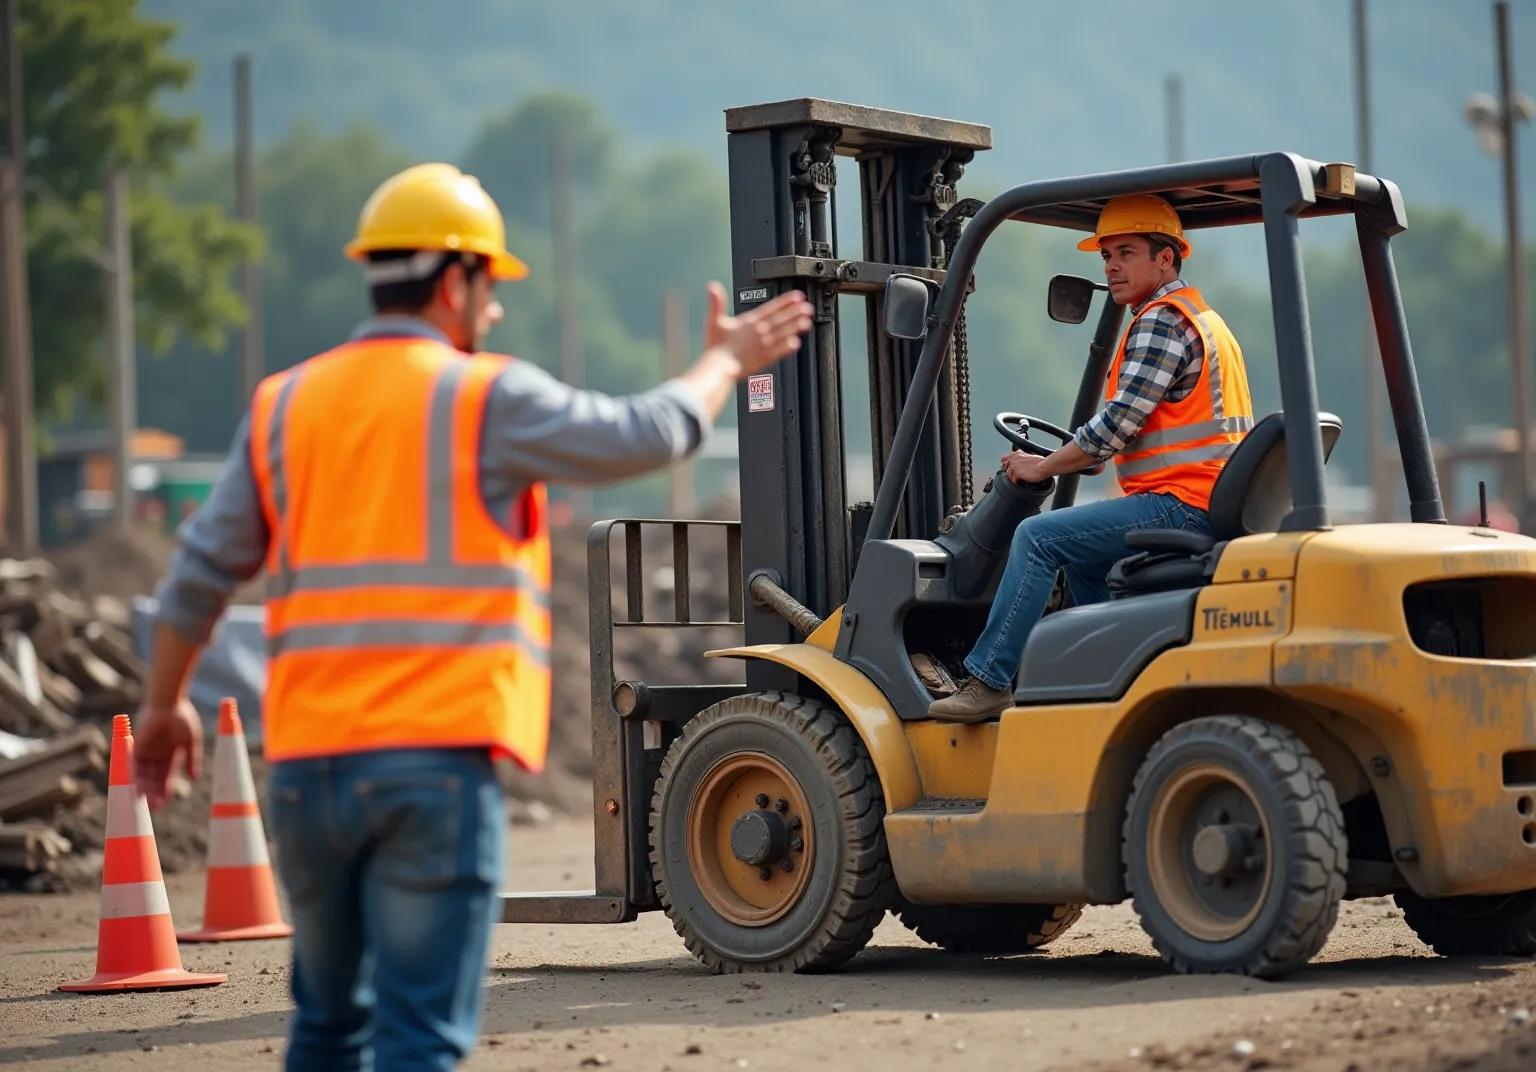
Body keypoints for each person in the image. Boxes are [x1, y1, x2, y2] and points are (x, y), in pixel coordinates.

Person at [130, 162, 814, 1071]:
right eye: (490, 290)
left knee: (327, 1030)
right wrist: (725, 360)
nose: (493, 313)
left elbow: (196, 578)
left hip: (305, 775)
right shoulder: (481, 397)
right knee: (419, 1040)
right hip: (430, 772)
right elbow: (649, 434)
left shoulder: (283, 405)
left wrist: (166, 702)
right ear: (456, 282)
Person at [928, 193, 1253, 723]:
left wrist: (1045, 465)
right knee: (1082, 555)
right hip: (1203, 498)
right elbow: (1132, 430)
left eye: (1126, 252)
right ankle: (1110, 672)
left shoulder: (1162, 321)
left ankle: (988, 680)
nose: (1112, 266)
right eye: (1106, 256)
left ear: (1165, 258)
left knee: (1037, 537)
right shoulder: (1205, 319)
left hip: (1181, 501)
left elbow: (1115, 426)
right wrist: (1081, 455)